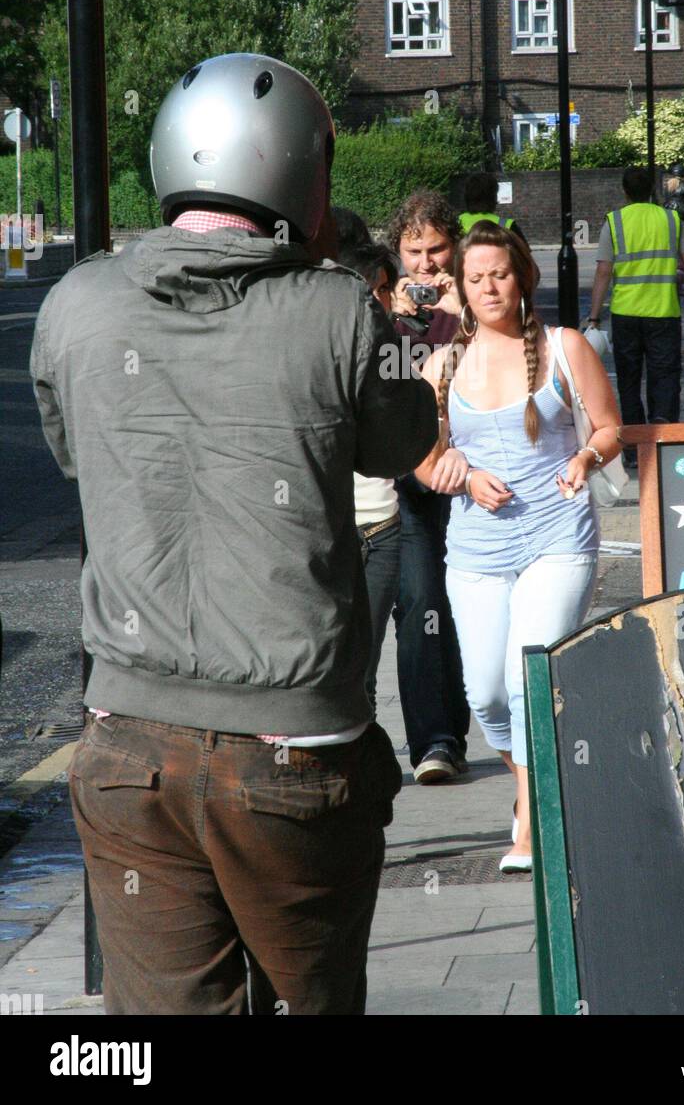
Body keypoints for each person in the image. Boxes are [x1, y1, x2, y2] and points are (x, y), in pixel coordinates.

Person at [30, 53, 438, 1016]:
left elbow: (82, 456)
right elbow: (399, 441)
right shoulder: (338, 308)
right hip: (293, 753)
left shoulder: (76, 305)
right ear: (300, 174)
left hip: (128, 749)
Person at [414, 221, 621, 872]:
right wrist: (456, 473)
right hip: (476, 553)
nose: (489, 287)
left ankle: (532, 828)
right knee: (486, 695)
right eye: (476, 279)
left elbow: (613, 427)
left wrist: (587, 456)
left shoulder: (564, 346)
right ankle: (536, 789)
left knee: (526, 677)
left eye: (499, 274)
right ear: (463, 289)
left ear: (522, 276)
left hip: (557, 541)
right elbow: (421, 457)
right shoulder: (441, 360)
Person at [386, 190, 471, 784]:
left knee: (470, 607)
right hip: (412, 483)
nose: (426, 264)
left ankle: (478, 721)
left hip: (478, 481)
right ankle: (434, 743)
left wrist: (461, 300)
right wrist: (389, 315)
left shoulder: (480, 293)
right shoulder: (383, 309)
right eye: (413, 252)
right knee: (419, 603)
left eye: (437, 249)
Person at [587, 165, 684, 462]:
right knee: (664, 374)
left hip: (625, 314)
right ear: (652, 189)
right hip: (664, 312)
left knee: (629, 378)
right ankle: (664, 436)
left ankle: (635, 447)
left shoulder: (614, 223)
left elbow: (603, 272)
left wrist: (594, 316)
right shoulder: (671, 219)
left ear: (624, 191)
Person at [338, 236, 403, 708]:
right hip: (328, 530)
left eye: (386, 289)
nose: (381, 300)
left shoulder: (400, 347)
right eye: (374, 289)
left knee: (365, 659)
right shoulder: (321, 347)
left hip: (380, 526)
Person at [458, 170, 526, 242]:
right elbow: (525, 251)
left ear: (466, 196)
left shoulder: (456, 224)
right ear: (494, 196)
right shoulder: (507, 226)